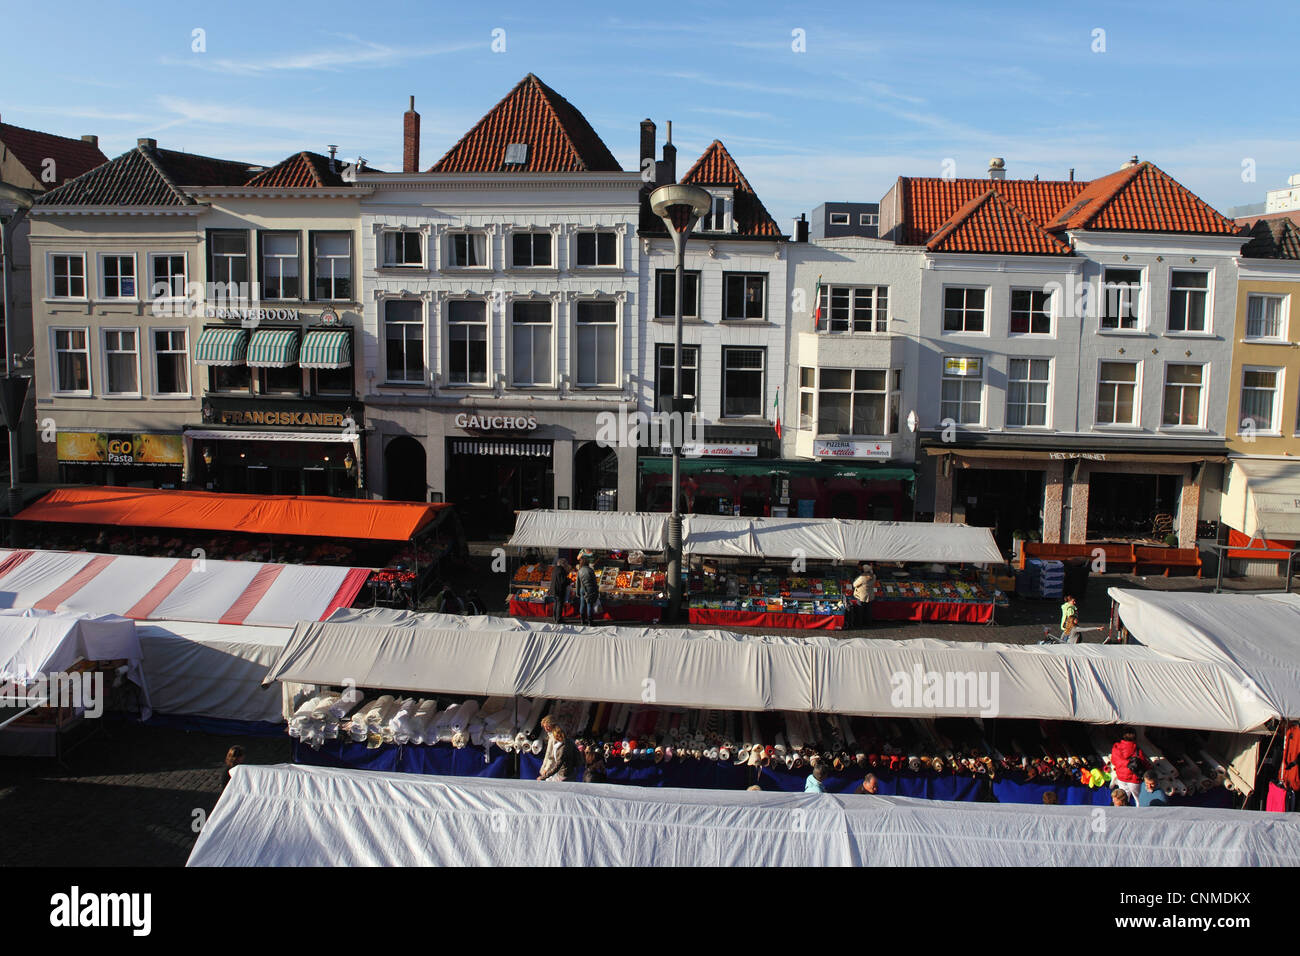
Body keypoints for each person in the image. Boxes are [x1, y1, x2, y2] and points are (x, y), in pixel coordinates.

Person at [1110, 727, 1147, 805]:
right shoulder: (1137, 749)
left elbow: (1114, 761)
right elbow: (1143, 762)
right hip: (1134, 779)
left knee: (1122, 800)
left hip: (1121, 778)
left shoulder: (1116, 747)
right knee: (1139, 800)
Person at [575, 555, 600, 626]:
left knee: (582, 605)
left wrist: (577, 592)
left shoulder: (580, 571)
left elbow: (578, 583)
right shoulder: (590, 570)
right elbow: (594, 582)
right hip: (590, 590)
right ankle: (590, 621)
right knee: (589, 605)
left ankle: (582, 620)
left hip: (582, 589)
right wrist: (596, 591)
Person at [550, 558, 570, 624]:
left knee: (555, 604)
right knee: (559, 604)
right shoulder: (562, 570)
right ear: (563, 564)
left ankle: (554, 617)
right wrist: (569, 581)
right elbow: (563, 581)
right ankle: (558, 619)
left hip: (554, 589)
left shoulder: (555, 569)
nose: (566, 565)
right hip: (559, 590)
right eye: (566, 564)